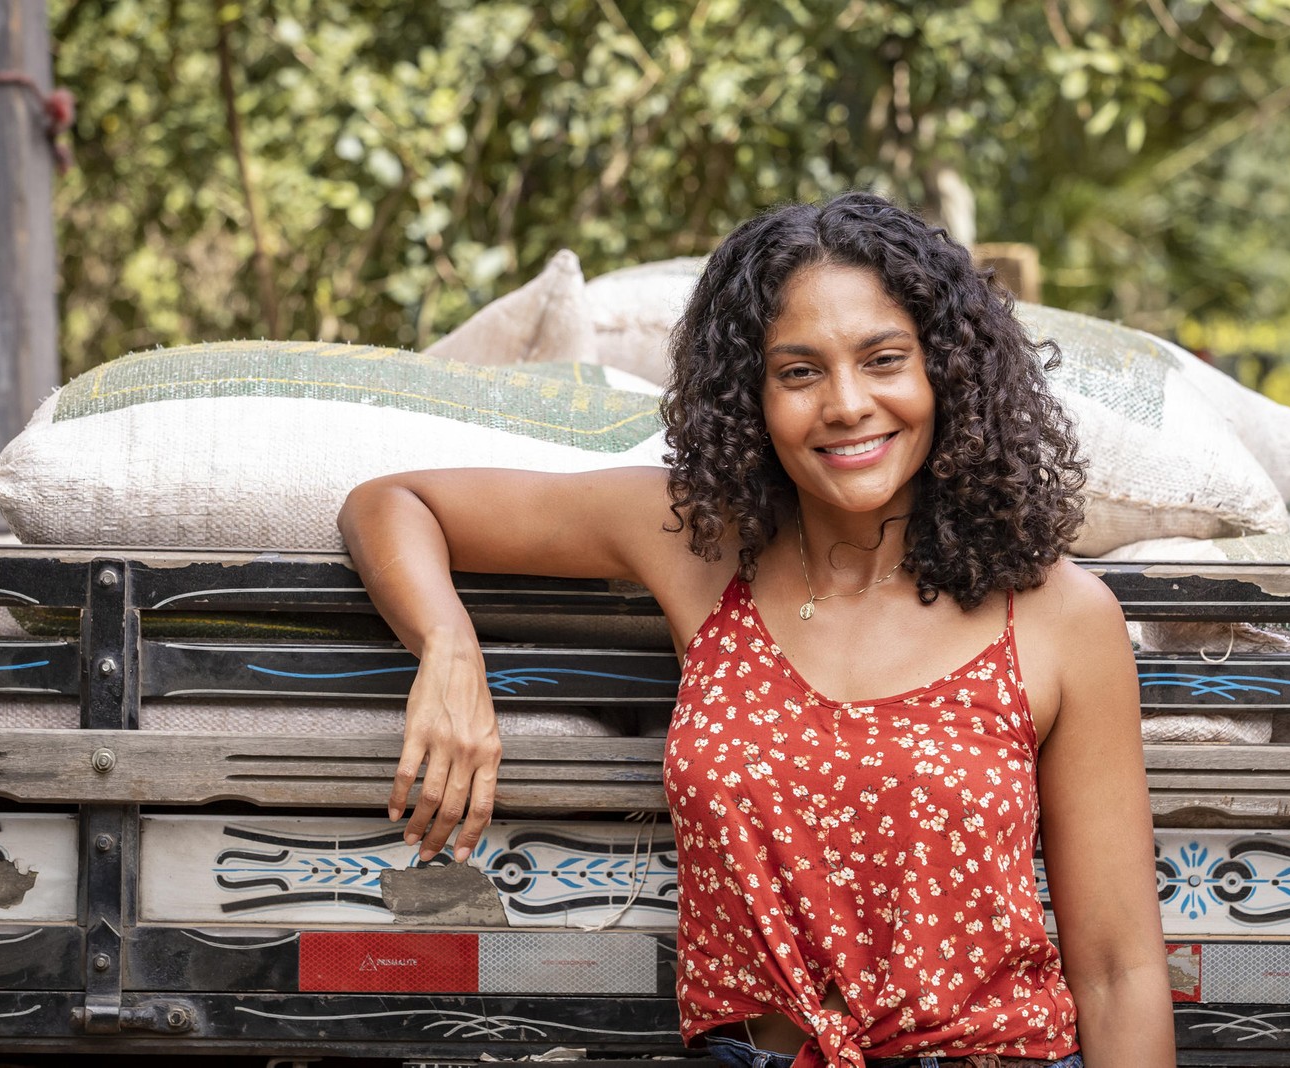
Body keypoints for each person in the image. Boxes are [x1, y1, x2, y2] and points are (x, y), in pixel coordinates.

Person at [338, 192, 1175, 1068]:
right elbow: (391, 503)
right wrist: (448, 648)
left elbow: (1119, 972)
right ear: (750, 394)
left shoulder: (1055, 615)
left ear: (947, 372)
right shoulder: (698, 544)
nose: (847, 404)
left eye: (884, 359)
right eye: (799, 372)